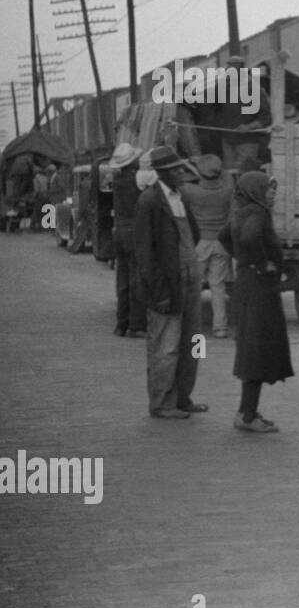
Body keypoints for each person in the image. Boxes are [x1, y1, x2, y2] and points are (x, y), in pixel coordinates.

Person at [134, 145, 207, 420]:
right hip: (167, 284)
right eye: (177, 169)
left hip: (189, 278)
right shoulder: (149, 202)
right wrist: (159, 290)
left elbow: (194, 235)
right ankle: (162, 403)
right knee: (165, 346)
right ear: (163, 172)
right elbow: (144, 254)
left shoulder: (181, 198)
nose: (182, 172)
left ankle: (182, 398)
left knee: (191, 342)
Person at [219, 172, 294, 433]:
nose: (273, 193)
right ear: (255, 190)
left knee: (252, 348)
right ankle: (248, 416)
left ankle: (246, 411)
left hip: (247, 285)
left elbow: (224, 236)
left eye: (274, 189)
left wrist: (242, 259)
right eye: (268, 189)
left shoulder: (242, 211)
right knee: (257, 349)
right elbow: (250, 238)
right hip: (259, 289)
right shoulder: (258, 213)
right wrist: (261, 264)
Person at [180, 154, 235, 338]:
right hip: (220, 242)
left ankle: (193, 328)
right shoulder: (227, 190)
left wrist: (192, 163)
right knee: (218, 286)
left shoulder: (191, 191)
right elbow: (228, 177)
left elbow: (178, 182)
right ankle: (220, 327)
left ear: (200, 175)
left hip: (200, 243)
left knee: (194, 286)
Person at [108, 143, 147, 337]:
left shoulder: (117, 179)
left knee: (122, 280)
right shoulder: (137, 178)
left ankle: (121, 323)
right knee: (137, 279)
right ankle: (137, 324)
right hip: (134, 231)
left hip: (120, 230)